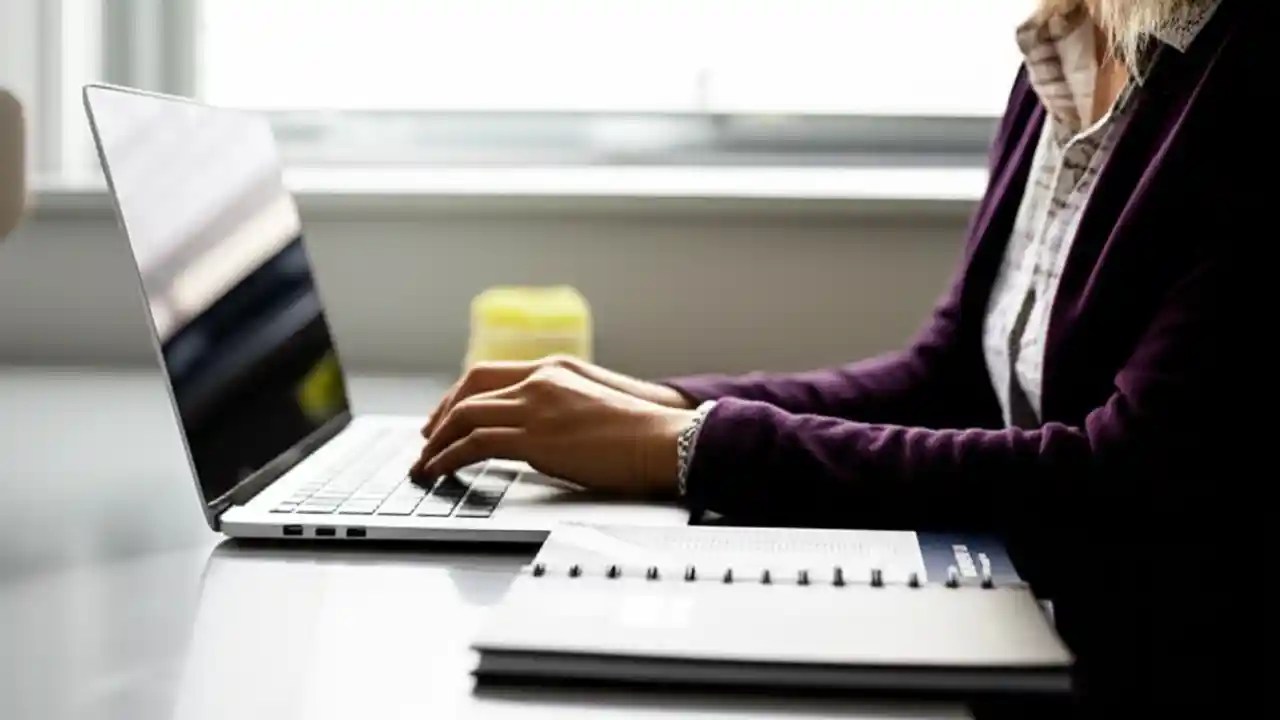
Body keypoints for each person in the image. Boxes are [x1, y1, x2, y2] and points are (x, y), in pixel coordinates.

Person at [415, 0, 1260, 713]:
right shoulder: (1067, 40)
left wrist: (682, 447)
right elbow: (950, 378)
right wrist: (662, 405)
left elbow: (1126, 481)